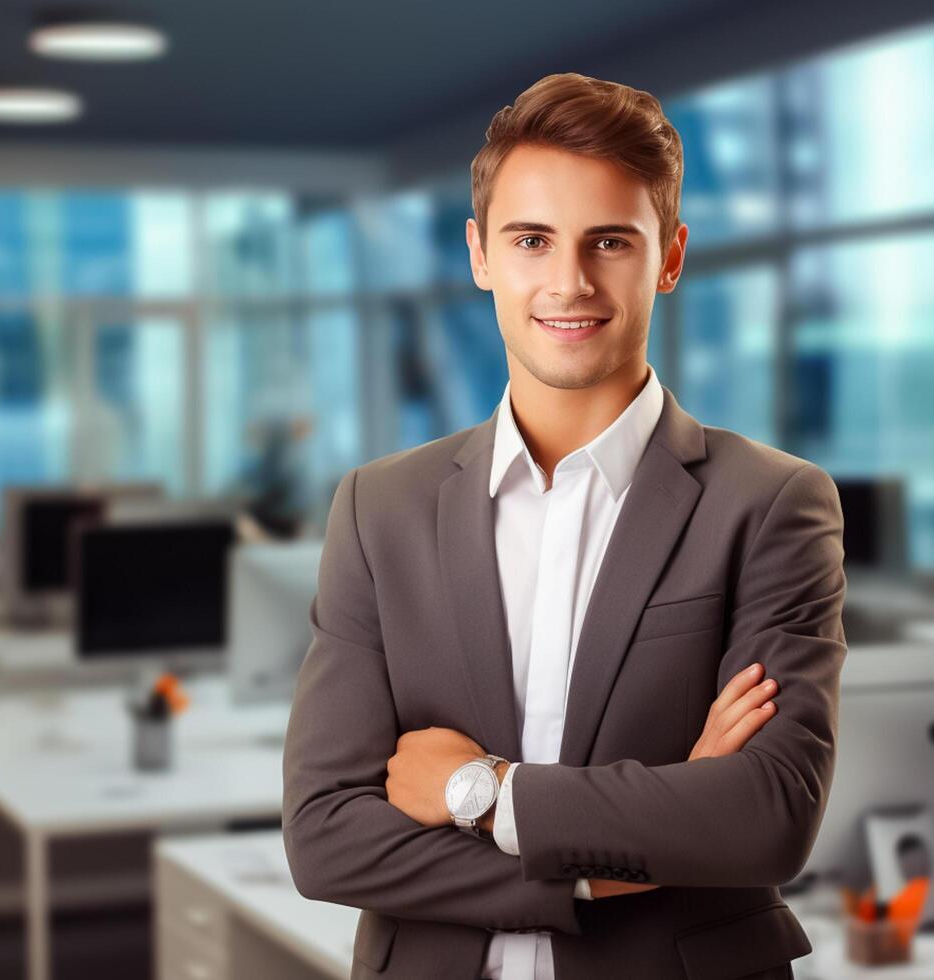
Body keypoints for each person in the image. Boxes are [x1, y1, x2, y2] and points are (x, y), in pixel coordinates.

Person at [282, 72, 847, 979]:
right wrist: (601, 873)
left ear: (668, 256)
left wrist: (480, 793)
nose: (568, 282)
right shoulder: (378, 508)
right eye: (531, 240)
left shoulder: (771, 504)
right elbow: (324, 838)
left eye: (610, 242)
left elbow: (764, 818)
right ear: (479, 255)